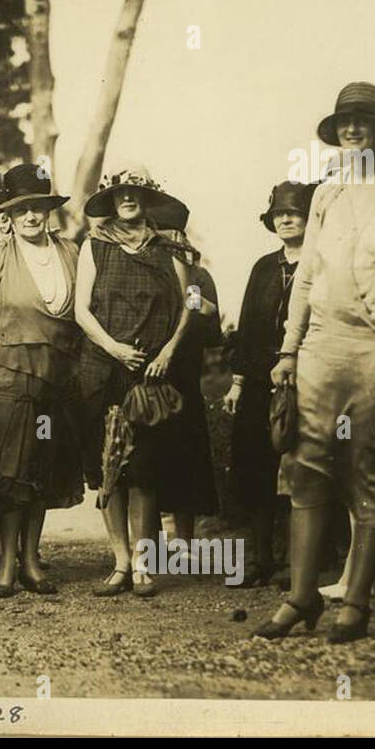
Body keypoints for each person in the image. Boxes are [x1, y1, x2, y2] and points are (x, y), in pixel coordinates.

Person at [257, 82, 375, 643]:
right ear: (336, 133)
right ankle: (301, 595)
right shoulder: (327, 195)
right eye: (344, 123)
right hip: (322, 346)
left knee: (371, 468)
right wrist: (289, 350)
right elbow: (308, 275)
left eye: (363, 122)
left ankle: (356, 602)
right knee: (307, 467)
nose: (352, 130)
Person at [74, 168, 193, 599]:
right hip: (102, 370)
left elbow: (185, 308)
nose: (127, 200)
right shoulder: (95, 246)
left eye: (135, 194)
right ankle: (120, 562)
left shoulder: (169, 249)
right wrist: (114, 348)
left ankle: (144, 564)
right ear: (111, 201)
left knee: (143, 471)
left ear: (146, 200)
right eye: (120, 194)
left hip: (150, 376)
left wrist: (166, 353)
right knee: (111, 470)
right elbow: (81, 311)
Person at [0, 164, 84, 597]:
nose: (31, 217)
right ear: (10, 217)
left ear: (48, 211)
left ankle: (32, 560)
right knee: (9, 468)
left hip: (55, 382)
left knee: (42, 464)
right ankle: (5, 564)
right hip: (8, 380)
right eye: (22, 210)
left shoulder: (71, 252)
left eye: (38, 207)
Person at [222, 181, 315, 588]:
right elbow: (246, 329)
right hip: (261, 380)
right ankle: (262, 559)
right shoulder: (264, 267)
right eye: (279, 214)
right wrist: (238, 383)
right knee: (255, 463)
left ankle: (306, 563)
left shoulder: (322, 263)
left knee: (307, 465)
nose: (286, 219)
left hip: (310, 376)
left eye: (294, 212)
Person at [149, 202, 221, 550]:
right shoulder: (143, 268)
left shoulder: (198, 275)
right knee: (150, 457)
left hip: (185, 376)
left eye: (171, 235)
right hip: (150, 374)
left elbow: (212, 330)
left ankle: (186, 541)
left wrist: (196, 304)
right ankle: (152, 542)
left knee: (187, 457)